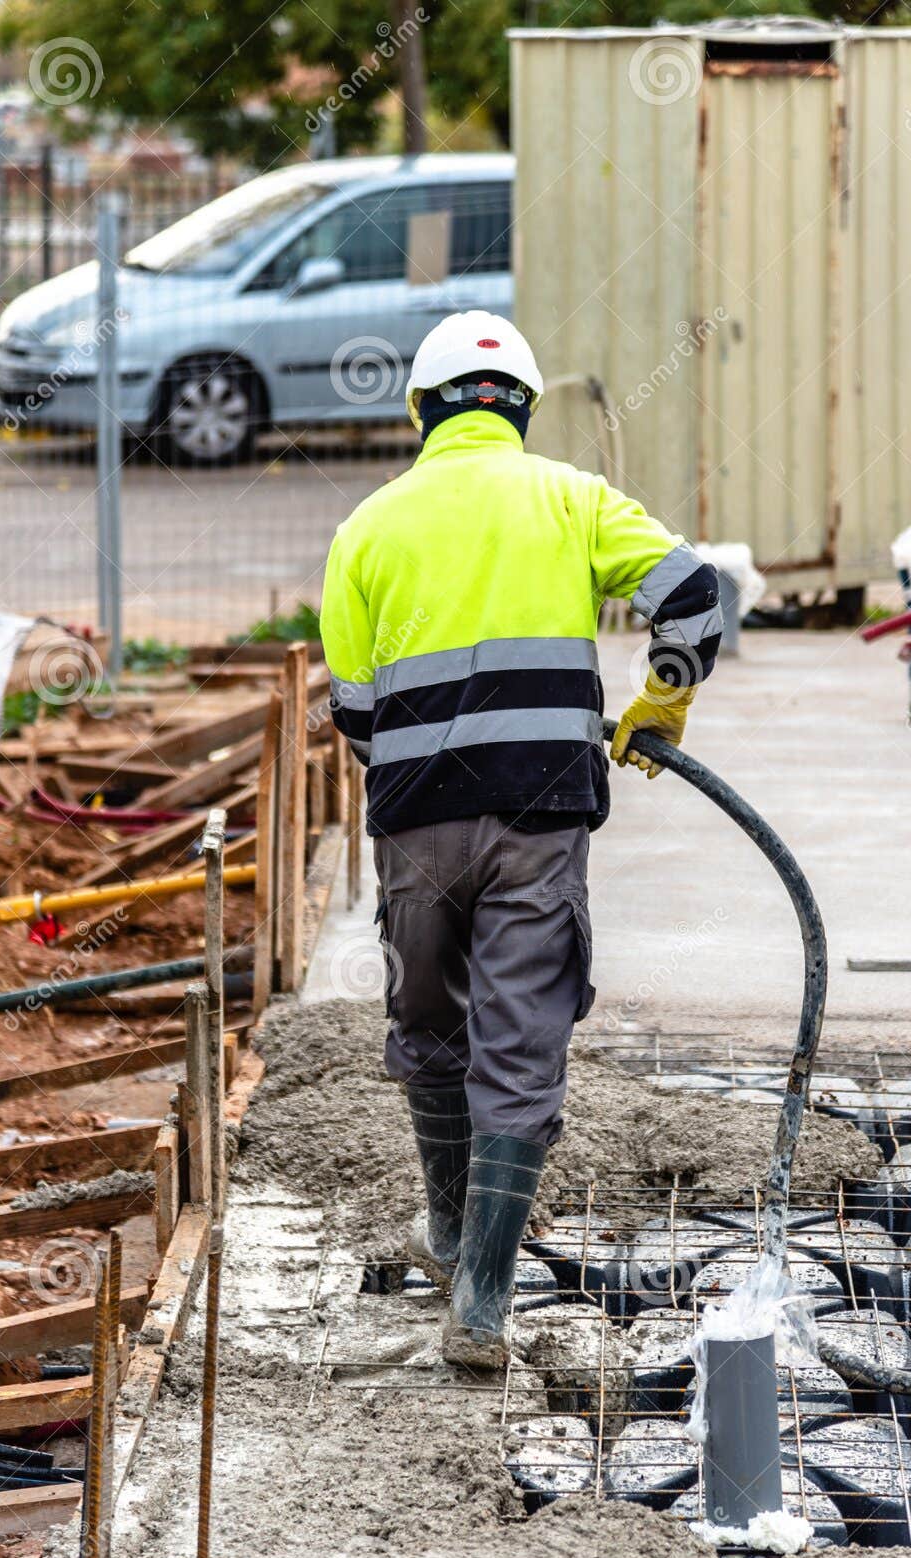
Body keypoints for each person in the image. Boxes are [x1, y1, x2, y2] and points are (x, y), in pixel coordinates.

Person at [320, 311, 722, 1367]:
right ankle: (483, 1304)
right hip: (543, 818)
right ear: (523, 411)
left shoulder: (366, 528)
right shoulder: (574, 499)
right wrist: (663, 698)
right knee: (521, 1043)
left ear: (422, 410)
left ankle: (452, 1233)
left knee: (428, 1024)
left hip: (417, 826)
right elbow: (691, 593)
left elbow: (355, 714)